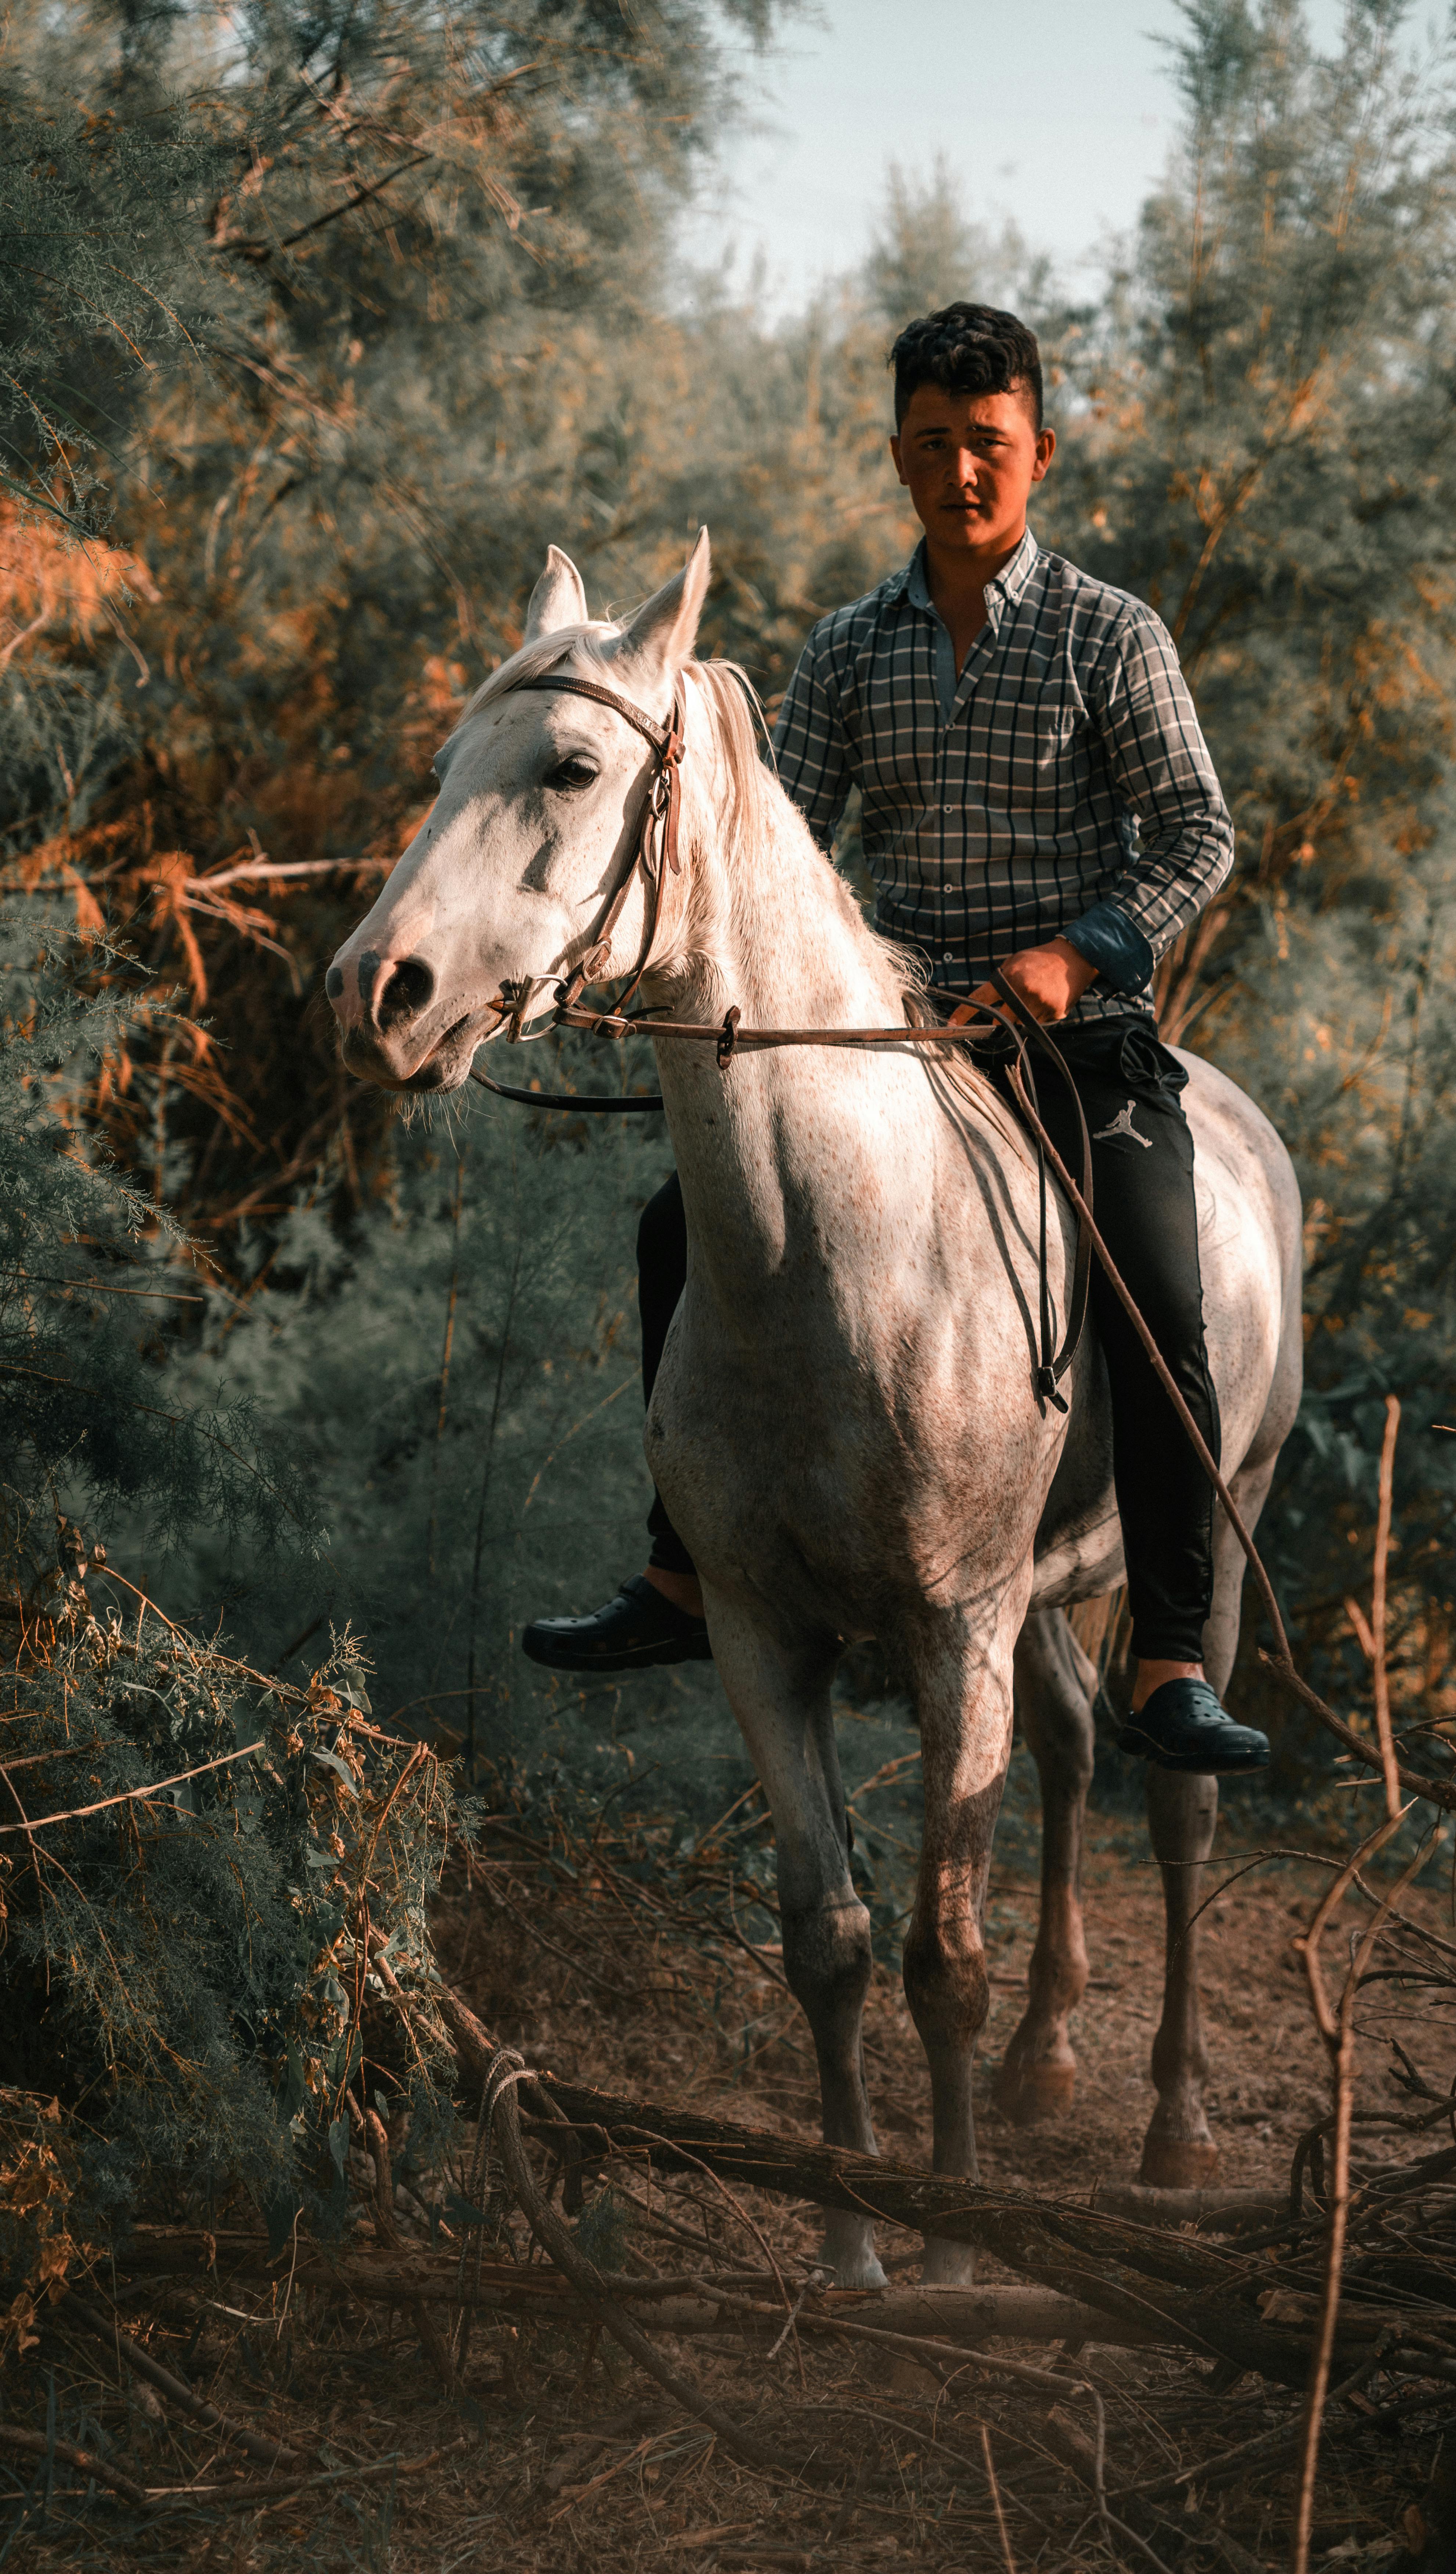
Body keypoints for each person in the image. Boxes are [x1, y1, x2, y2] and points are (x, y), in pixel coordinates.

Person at [522, 302, 1268, 1775]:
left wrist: (1075, 954)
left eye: (987, 446)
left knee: (1163, 1294)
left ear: (1038, 452)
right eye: (930, 447)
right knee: (680, 1228)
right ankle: (682, 1570)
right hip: (900, 1046)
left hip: (1078, 1043)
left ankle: (1172, 1653)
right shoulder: (850, 648)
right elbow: (770, 844)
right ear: (897, 459)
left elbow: (1198, 835)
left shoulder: (1113, 635)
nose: (960, 472)